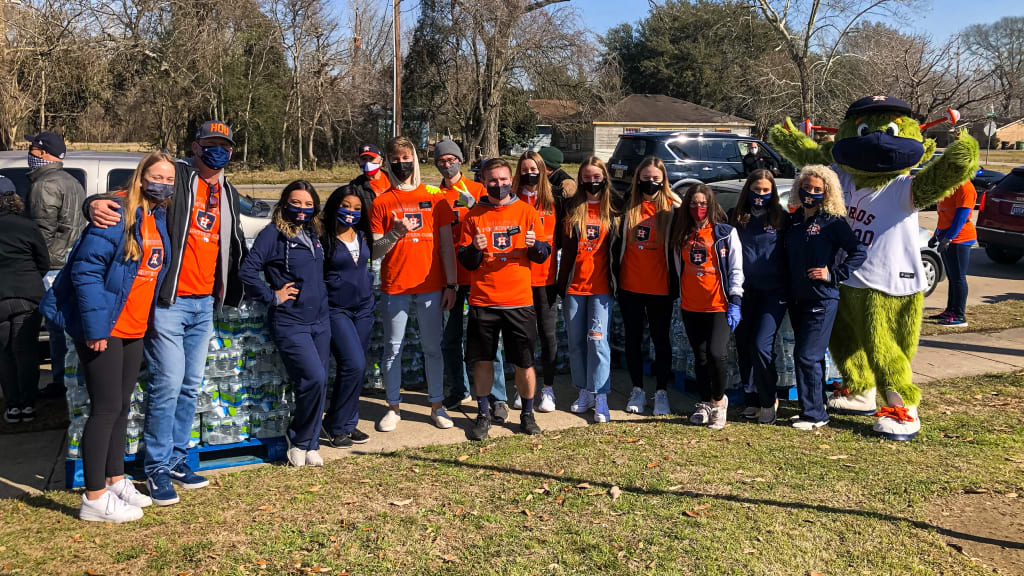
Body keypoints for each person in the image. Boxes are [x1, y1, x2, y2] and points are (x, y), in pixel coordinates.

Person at [86, 120, 247, 506]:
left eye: (224, 145)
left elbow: (233, 245)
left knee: (191, 385)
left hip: (204, 302)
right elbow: (129, 196)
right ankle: (155, 466)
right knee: (168, 384)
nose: (218, 151)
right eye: (210, 144)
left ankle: (176, 458)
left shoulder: (229, 192)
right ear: (195, 147)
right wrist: (90, 203)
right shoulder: (178, 179)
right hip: (170, 303)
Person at [45, 151, 175, 522]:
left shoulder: (156, 215)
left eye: (169, 179)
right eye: (157, 176)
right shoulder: (115, 213)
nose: (163, 184)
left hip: (134, 326)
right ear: (140, 176)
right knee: (103, 409)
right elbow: (86, 273)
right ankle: (94, 496)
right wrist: (95, 328)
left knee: (120, 406)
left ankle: (115, 479)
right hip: (107, 328)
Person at [369, 136, 458, 432]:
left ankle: (436, 405)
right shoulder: (382, 202)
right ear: (388, 163)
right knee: (393, 348)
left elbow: (447, 246)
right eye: (395, 159)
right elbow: (374, 250)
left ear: (415, 160)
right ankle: (393, 407)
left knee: (433, 348)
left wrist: (452, 284)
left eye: (406, 158)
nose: (401, 164)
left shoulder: (435, 198)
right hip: (396, 286)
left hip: (431, 286)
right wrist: (394, 234)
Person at [459, 158, 551, 440]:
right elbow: (467, 262)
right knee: (483, 361)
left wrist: (536, 246)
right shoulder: (474, 215)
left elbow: (543, 253)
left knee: (524, 362)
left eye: (503, 180)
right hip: (483, 301)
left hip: (519, 301)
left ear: (511, 181)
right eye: (492, 180)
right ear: (484, 182)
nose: (498, 185)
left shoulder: (526, 212)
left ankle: (527, 414)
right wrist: (475, 249)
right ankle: (484, 413)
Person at [239, 181, 329, 466]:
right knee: (313, 377)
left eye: (307, 203)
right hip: (291, 321)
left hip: (320, 320)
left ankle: (310, 443)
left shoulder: (314, 231)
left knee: (317, 382)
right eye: (296, 202)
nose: (302, 208)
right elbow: (248, 271)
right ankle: (298, 436)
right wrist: (272, 296)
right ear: (284, 203)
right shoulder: (273, 234)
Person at [785, 166, 865, 430]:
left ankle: (815, 415)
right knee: (812, 357)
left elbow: (858, 252)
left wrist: (833, 274)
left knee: (807, 355)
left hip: (822, 298)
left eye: (817, 190)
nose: (810, 193)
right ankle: (815, 408)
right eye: (806, 187)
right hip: (796, 297)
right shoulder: (794, 220)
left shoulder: (833, 221)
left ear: (827, 192)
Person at [433, 140, 509, 418]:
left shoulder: (478, 190)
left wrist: (477, 204)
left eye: (452, 158)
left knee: (488, 341)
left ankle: (497, 396)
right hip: (449, 276)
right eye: (442, 160)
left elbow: (498, 218)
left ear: (461, 161)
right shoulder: (433, 194)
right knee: (450, 339)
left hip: (479, 275)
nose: (447, 163)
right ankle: (458, 389)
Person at [669, 183, 743, 430]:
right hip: (691, 306)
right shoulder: (682, 234)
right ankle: (704, 403)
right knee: (699, 357)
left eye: (702, 203)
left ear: (710, 205)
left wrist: (735, 300)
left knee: (716, 354)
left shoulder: (724, 233)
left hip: (719, 305)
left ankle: (719, 402)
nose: (698, 208)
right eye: (693, 203)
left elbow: (735, 269)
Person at [612, 156, 681, 416]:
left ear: (663, 179)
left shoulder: (673, 207)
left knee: (661, 340)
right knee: (633, 338)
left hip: (661, 287)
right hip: (630, 285)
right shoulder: (626, 205)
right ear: (637, 178)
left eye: (655, 179)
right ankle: (637, 389)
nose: (650, 183)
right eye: (645, 178)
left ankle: (661, 392)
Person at [25, 131, 86, 399]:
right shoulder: (71, 181)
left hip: (52, 263)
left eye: (33, 148)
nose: (30, 152)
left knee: (56, 327)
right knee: (65, 326)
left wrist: (35, 261)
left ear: (43, 154)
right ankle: (69, 378)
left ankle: (61, 381)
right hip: (69, 259)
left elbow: (41, 232)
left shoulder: (44, 186)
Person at [557, 156, 617, 423]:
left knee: (598, 341)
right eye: (587, 176)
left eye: (597, 176)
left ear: (604, 177)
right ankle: (584, 390)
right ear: (580, 178)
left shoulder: (615, 206)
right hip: (574, 285)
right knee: (577, 343)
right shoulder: (572, 207)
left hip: (602, 287)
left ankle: (601, 393)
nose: (592, 181)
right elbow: (562, 246)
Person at [729, 169, 789, 425]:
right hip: (744, 292)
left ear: (772, 192)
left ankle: (768, 399)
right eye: (757, 189)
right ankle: (751, 398)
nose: (761, 195)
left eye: (766, 191)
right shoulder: (736, 217)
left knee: (761, 346)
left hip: (774, 293)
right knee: (743, 347)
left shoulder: (781, 218)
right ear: (748, 190)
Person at [320, 186, 375, 448]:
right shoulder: (323, 237)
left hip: (363, 309)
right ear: (334, 206)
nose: (350, 212)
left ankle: (349, 422)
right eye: (345, 206)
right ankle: (334, 423)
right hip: (336, 310)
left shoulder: (363, 235)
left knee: (357, 366)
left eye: (356, 208)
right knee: (353, 363)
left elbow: (374, 253)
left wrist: (397, 233)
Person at [513, 150, 562, 413]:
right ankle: (523, 386)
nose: (529, 173)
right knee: (523, 337)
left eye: (534, 169)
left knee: (548, 335)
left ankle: (548, 389)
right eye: (524, 170)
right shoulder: (511, 200)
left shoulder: (556, 200)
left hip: (546, 280)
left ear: (543, 171)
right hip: (517, 279)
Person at [0, 181, 50, 424]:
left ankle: (12, 405)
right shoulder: (27, 226)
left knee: (5, 353)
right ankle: (28, 404)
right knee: (26, 350)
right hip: (27, 295)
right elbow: (44, 261)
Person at [929, 180, 977, 327]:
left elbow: (960, 217)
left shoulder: (965, 188)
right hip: (946, 236)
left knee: (958, 277)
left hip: (960, 239)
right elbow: (944, 214)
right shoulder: (950, 185)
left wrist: (949, 237)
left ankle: (959, 316)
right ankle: (951, 310)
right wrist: (936, 235)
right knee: (952, 277)